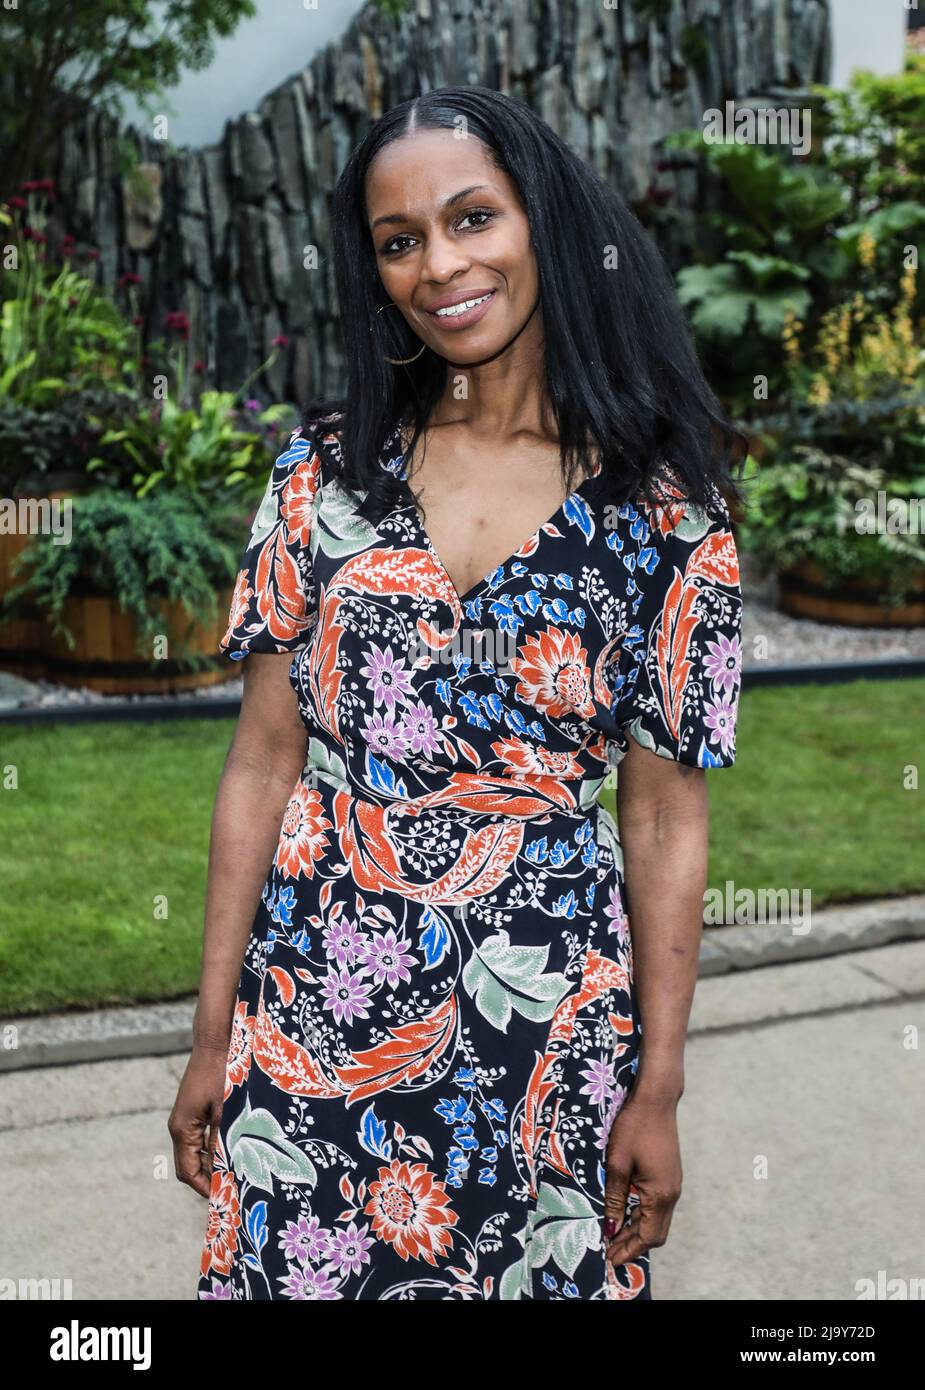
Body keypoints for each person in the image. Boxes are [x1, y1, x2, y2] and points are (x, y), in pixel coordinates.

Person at [171, 85, 745, 1301]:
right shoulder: (323, 473)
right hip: (318, 1009)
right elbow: (263, 764)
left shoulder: (667, 514)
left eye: (471, 217)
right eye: (397, 240)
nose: (439, 264)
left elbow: (661, 815)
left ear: (542, 219)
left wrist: (659, 1083)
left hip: (545, 1039)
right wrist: (213, 1029)